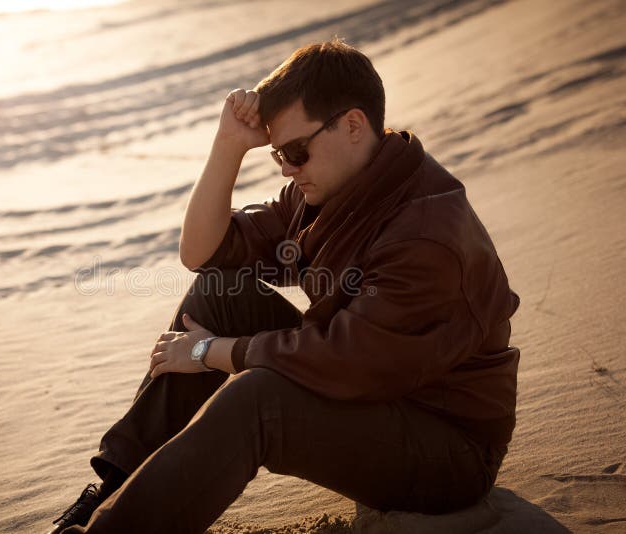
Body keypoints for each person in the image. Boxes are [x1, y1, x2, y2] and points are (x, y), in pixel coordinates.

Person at [47, 37, 521, 534]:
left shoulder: (426, 235)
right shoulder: (328, 190)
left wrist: (213, 351)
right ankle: (115, 485)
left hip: (449, 450)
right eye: (279, 155)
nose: (289, 169)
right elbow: (203, 253)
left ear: (354, 125)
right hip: (375, 395)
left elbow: (347, 360)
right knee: (222, 292)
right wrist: (228, 145)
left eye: (297, 151)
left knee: (259, 399)